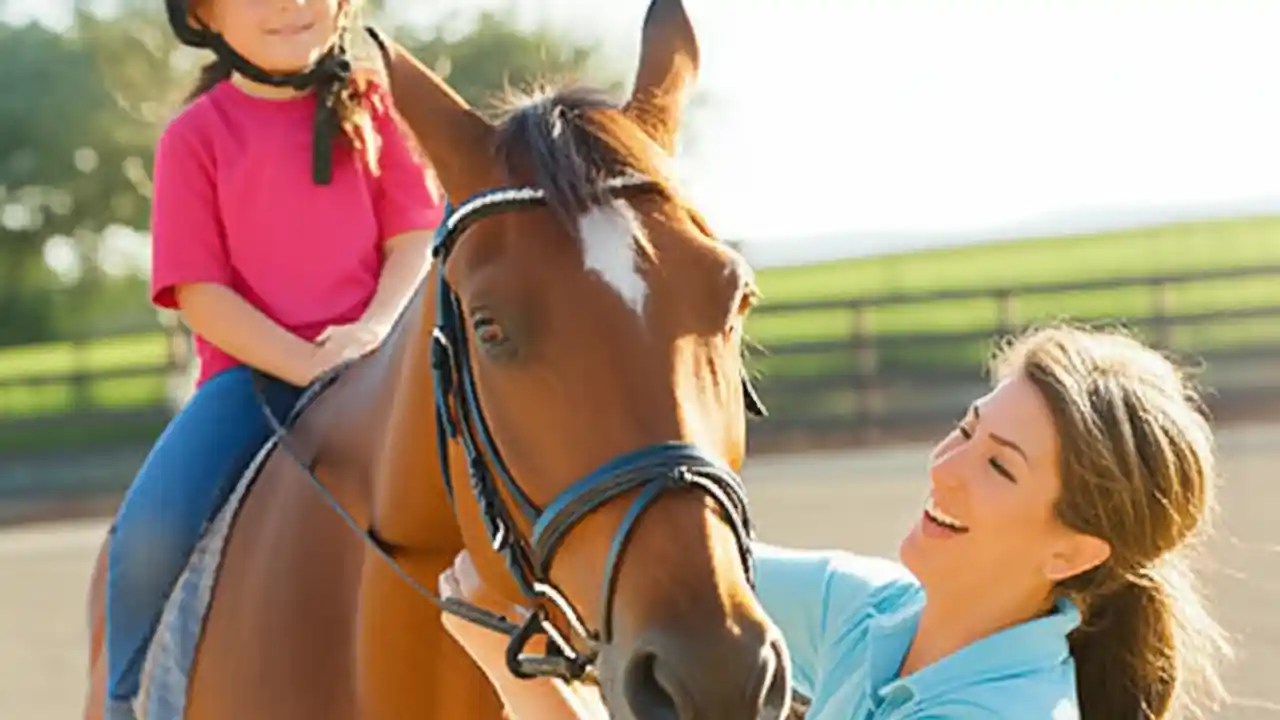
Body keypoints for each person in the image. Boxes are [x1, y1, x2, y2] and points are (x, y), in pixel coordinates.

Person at [435, 323, 1233, 719]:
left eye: (998, 466)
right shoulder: (874, 613)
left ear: (1072, 549)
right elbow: (674, 565)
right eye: (965, 429)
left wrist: (518, 677)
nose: (945, 467)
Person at [103, 1, 442, 717]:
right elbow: (201, 295)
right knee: (150, 527)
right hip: (254, 382)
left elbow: (414, 243)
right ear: (205, 14)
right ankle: (127, 697)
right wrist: (308, 365)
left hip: (381, 364)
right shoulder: (194, 137)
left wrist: (373, 333)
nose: (289, 5)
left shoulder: (380, 108)